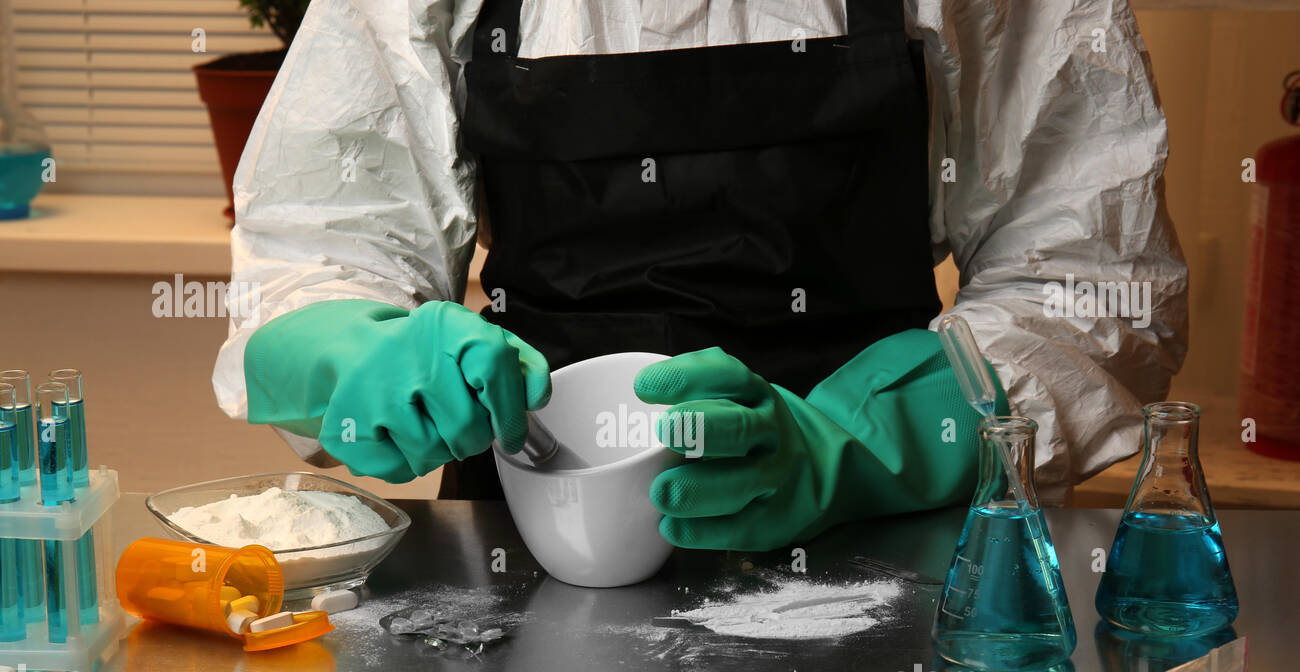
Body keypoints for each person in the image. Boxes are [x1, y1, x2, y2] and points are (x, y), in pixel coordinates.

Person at [213, 0, 1187, 551]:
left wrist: (859, 441)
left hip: (886, 548)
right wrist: (363, 351)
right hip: (525, 559)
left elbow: (1089, 281)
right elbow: (319, 252)